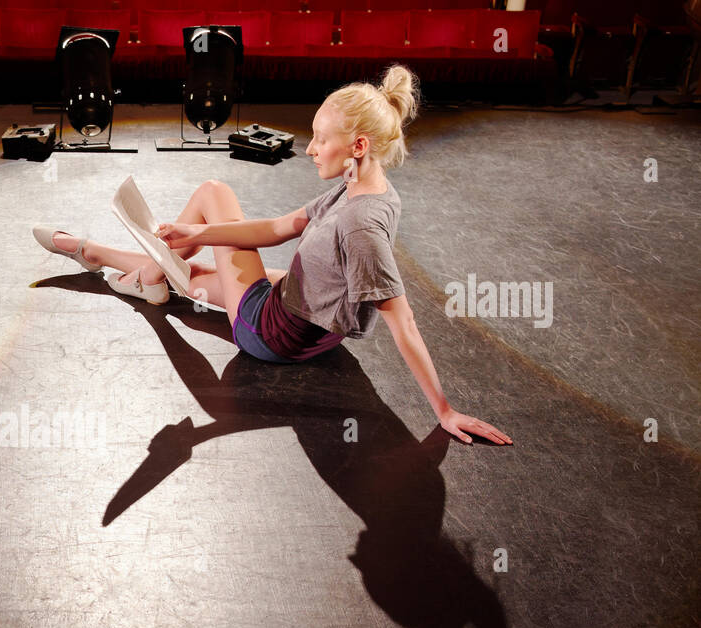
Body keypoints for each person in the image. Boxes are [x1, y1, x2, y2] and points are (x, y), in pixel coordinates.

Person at [32, 64, 512, 447]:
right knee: (195, 272)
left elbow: (403, 324)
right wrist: (198, 233)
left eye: (322, 139)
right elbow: (284, 227)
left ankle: (144, 267)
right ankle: (99, 255)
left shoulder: (360, 225)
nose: (311, 149)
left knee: (212, 191)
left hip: (270, 332)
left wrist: (444, 411)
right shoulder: (369, 189)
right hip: (312, 319)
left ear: (358, 146)